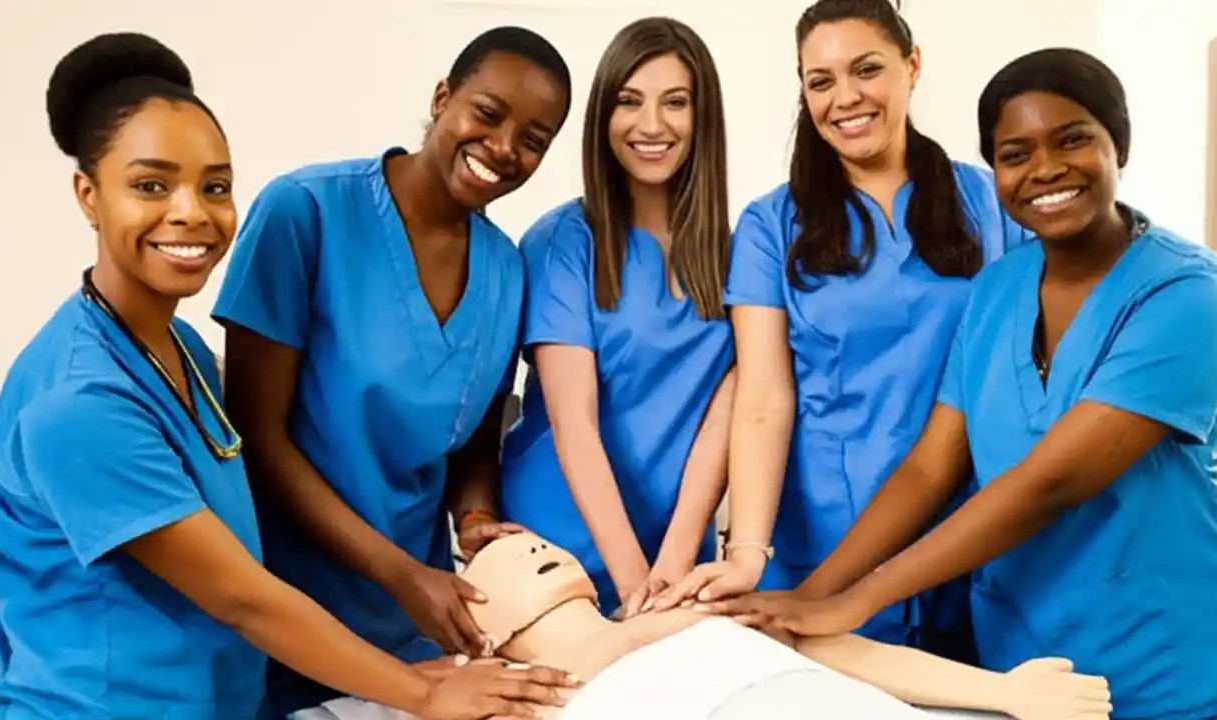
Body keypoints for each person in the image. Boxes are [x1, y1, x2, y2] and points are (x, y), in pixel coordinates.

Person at [0, 33, 578, 720]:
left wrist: (471, 530)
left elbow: (469, 436)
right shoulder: (78, 401)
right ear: (88, 194)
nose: (190, 212)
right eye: (151, 185)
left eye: (214, 187)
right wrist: (425, 691)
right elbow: (244, 597)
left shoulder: (179, 350)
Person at [700, 48, 1217, 719]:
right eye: (1015, 153)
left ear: (1120, 144)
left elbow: (1051, 481)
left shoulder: (1188, 291)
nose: (1045, 169)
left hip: (1171, 657)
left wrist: (858, 600)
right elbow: (930, 467)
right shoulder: (998, 288)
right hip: (1021, 663)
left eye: (1073, 139)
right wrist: (812, 597)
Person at [212, 25, 574, 717]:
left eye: (534, 137)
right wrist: (400, 573)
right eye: (488, 114)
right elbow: (255, 439)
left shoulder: (505, 270)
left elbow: (470, 440)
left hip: (417, 631)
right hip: (288, 616)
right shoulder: (306, 212)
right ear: (443, 98)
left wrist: (473, 519)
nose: (504, 148)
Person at [659, 0, 1025, 657]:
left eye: (867, 69)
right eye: (820, 81)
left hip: (968, 544)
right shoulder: (772, 226)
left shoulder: (992, 205)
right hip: (823, 551)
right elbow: (765, 399)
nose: (845, 98)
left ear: (912, 67)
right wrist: (745, 552)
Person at [300, 532, 1113, 720]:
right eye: (510, 555)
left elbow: (835, 649)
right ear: (471, 635)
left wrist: (1003, 692)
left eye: (538, 538)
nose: (533, 542)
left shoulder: (685, 616)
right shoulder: (500, 693)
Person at [499, 17, 735, 617]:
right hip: (559, 551)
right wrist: (634, 585)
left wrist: (674, 565)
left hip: (675, 554)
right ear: (603, 117)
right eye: (629, 101)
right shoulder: (563, 243)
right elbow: (574, 425)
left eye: (674, 102)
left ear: (702, 116)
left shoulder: (737, 255)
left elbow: (723, 427)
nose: (651, 125)